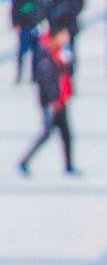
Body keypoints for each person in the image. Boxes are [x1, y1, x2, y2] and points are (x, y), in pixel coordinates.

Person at [18, 22, 78, 177]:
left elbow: (68, 72)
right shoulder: (45, 53)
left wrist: (69, 60)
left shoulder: (60, 52)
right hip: (51, 101)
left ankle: (69, 166)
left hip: (61, 100)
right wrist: (53, 99)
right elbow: (45, 80)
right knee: (47, 133)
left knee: (66, 133)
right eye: (63, 35)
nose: (66, 38)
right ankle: (24, 161)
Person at [12, 0, 48, 83]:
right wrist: (31, 0)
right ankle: (19, 74)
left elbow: (44, 7)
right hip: (25, 25)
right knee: (23, 51)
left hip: (37, 25)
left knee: (37, 52)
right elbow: (20, 10)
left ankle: (35, 76)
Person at [49, 0, 85, 71]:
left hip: (69, 24)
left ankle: (70, 68)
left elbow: (80, 3)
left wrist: (69, 11)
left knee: (70, 48)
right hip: (58, 25)